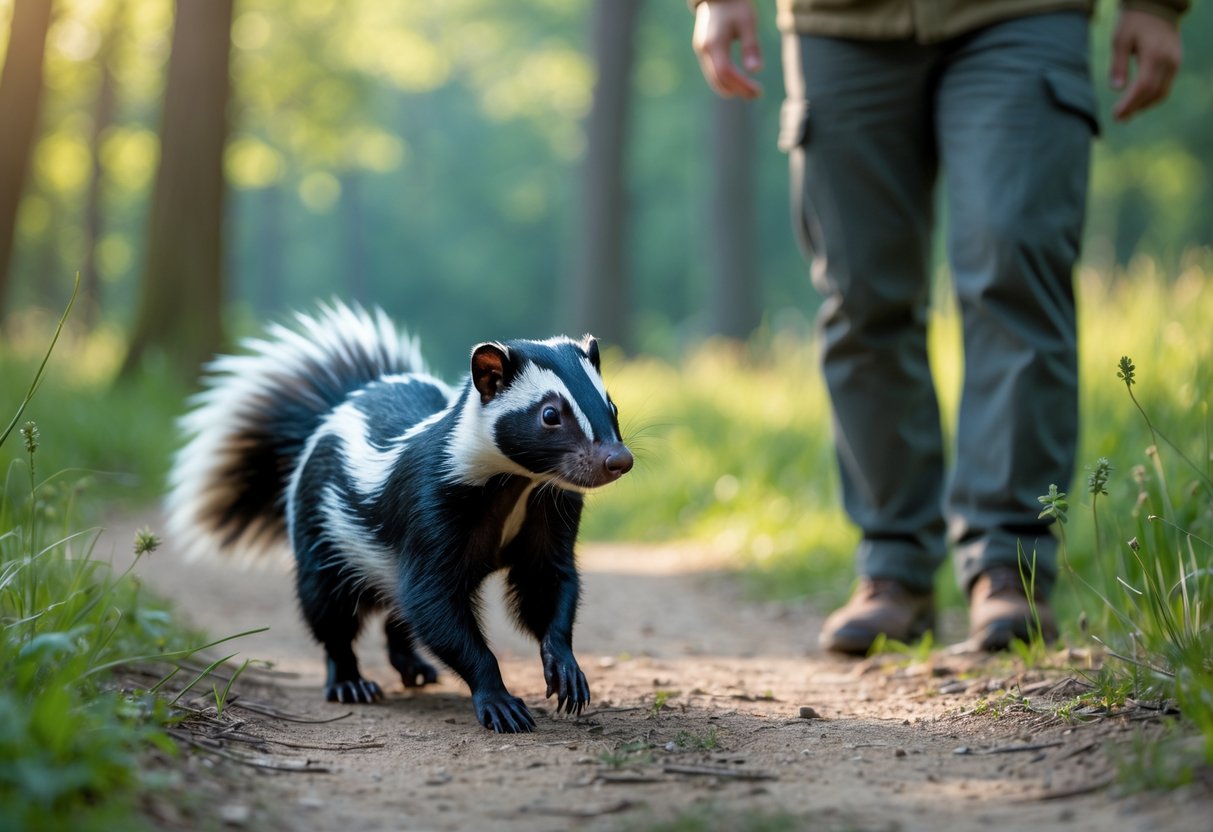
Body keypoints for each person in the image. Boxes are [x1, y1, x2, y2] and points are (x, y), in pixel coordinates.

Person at [690, 0, 1185, 654]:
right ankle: (892, 568)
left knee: (1013, 267)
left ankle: (1010, 566)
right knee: (862, 294)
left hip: (1022, 13)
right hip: (838, 24)